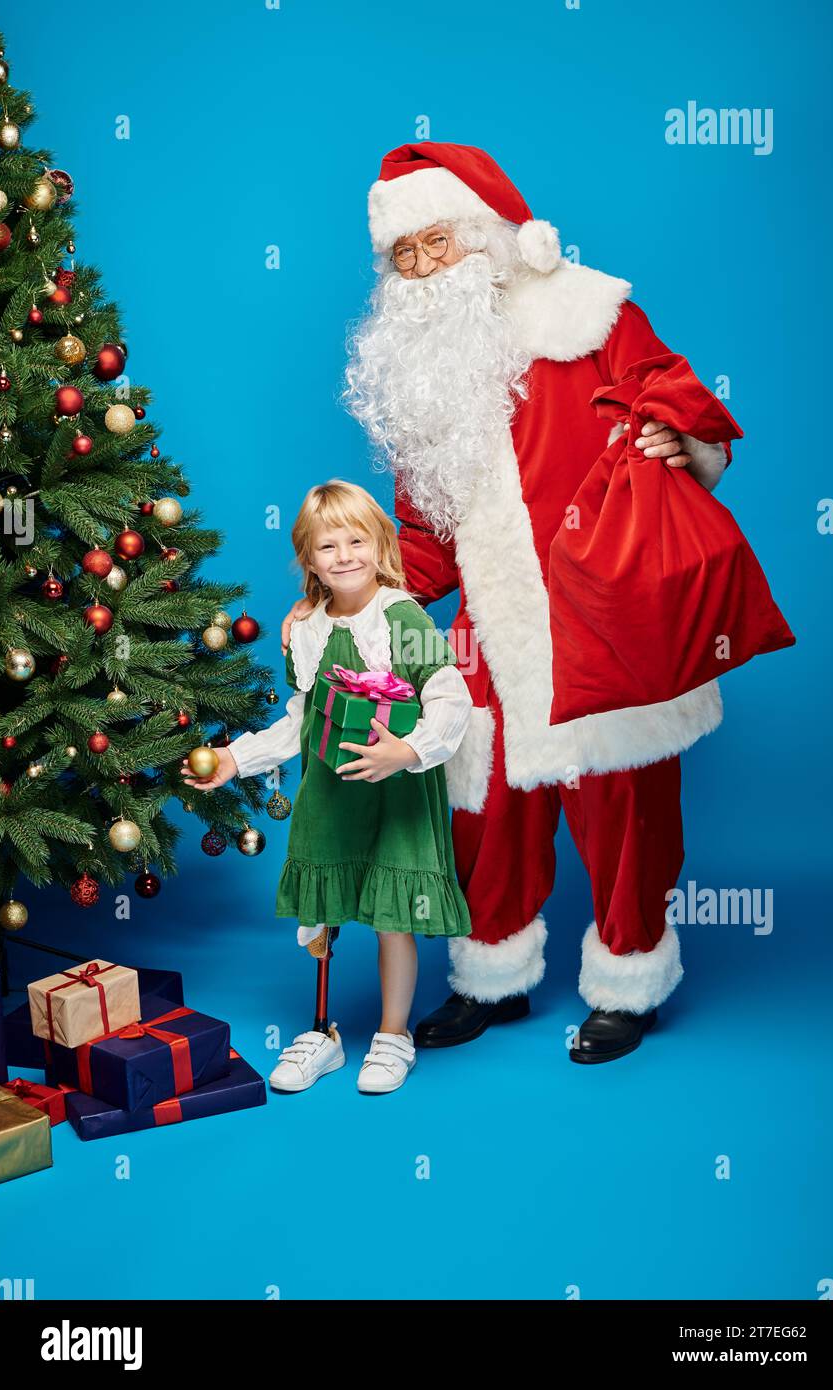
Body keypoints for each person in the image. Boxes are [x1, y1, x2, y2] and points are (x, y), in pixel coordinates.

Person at [281, 141, 743, 1065]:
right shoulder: (426, 377)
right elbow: (422, 534)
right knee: (483, 807)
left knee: (622, 802)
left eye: (433, 244)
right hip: (486, 627)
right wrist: (341, 593)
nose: (418, 270)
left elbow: (679, 394)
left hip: (599, 609)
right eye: (401, 255)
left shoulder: (587, 314)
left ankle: (628, 973)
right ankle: (491, 975)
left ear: (483, 237)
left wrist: (677, 440)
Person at [183, 480, 472, 1094]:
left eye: (356, 541)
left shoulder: (402, 616)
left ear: (380, 545)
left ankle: (393, 1036)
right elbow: (302, 716)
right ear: (308, 559)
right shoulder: (308, 626)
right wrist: (237, 758)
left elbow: (450, 692)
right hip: (332, 794)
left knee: (394, 917)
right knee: (323, 909)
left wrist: (409, 749)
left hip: (395, 792)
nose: (344, 556)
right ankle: (324, 1033)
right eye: (327, 546)